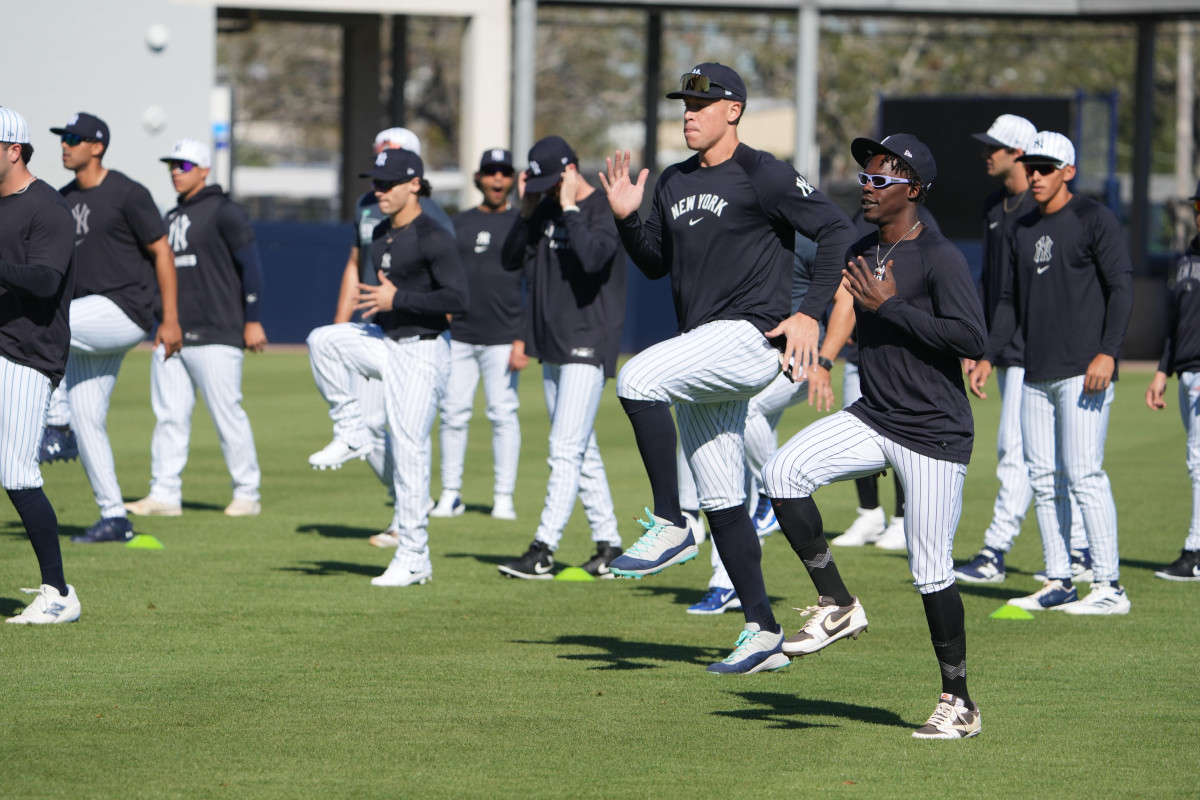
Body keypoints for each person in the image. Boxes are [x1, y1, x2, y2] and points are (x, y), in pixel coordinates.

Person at [599, 62, 855, 674]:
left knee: (635, 377)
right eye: (683, 103)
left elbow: (838, 231)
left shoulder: (762, 172)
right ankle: (762, 632)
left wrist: (810, 314)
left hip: (748, 339)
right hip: (704, 347)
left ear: (733, 110)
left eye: (701, 104)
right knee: (722, 498)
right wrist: (628, 217)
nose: (688, 112)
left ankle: (668, 520)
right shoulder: (672, 180)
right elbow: (656, 263)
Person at [762, 133, 987, 738]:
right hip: (876, 415)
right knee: (782, 471)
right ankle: (837, 603)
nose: (868, 183)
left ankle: (959, 701)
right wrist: (816, 349)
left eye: (882, 177)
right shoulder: (862, 248)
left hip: (934, 434)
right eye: (866, 175)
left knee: (930, 570)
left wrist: (892, 309)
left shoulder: (939, 256)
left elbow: (972, 339)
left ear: (912, 190)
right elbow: (837, 302)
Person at [973, 131, 1133, 614]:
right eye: (1033, 168)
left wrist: (1108, 352)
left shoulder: (1094, 219)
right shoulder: (1022, 227)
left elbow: (1122, 287)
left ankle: (1109, 587)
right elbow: (1007, 303)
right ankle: (1059, 578)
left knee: (1084, 474)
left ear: (1069, 171)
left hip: (1084, 370)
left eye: (1047, 168)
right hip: (1035, 371)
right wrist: (987, 354)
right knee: (1043, 478)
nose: (1037, 176)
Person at [308, 147, 467, 586]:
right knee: (323, 340)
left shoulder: (434, 235)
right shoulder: (378, 233)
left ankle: (415, 556)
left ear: (414, 184)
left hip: (425, 351)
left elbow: (458, 300)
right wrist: (387, 304)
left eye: (388, 184)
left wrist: (397, 299)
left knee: (410, 452)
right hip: (387, 341)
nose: (378, 191)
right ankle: (352, 429)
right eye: (375, 183)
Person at [689, 238, 856, 615]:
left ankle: (771, 489)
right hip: (750, 355)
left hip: (798, 356)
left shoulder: (809, 234)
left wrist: (825, 361)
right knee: (728, 464)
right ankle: (726, 582)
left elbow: (845, 296)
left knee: (749, 419)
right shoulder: (744, 228)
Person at [956, 115, 1090, 584]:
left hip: (1038, 349)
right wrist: (979, 344)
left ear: (1018, 152)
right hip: (1004, 344)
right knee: (1039, 454)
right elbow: (992, 284)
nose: (987, 153)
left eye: (996, 146)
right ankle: (1078, 552)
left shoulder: (1042, 212)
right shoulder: (998, 205)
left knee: (1027, 452)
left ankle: (997, 550)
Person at [43, 112, 183, 544]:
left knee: (48, 324)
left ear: (97, 145)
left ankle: (57, 422)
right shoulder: (62, 198)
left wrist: (171, 318)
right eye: (62, 138)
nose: (65, 145)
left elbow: (162, 253)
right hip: (88, 320)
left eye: (73, 138)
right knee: (90, 421)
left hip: (125, 311)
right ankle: (114, 518)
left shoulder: (127, 193)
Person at [495, 135, 626, 579]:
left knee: (564, 449)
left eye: (553, 181)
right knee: (581, 449)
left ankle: (543, 549)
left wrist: (569, 208)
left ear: (571, 170)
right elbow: (509, 260)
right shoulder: (544, 208)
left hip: (588, 342)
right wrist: (526, 212)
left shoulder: (602, 208)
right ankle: (609, 544)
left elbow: (593, 259)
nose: (549, 190)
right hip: (552, 344)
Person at [123, 138, 265, 518]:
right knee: (169, 416)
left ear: (204, 170)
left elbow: (251, 266)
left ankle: (247, 493)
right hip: (174, 334)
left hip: (218, 331)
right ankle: (165, 494)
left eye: (183, 166)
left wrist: (252, 320)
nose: (175, 171)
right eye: (172, 165)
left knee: (227, 413)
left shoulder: (225, 211)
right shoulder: (169, 217)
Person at [0, 107, 82, 623]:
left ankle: (59, 594)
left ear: (13, 149)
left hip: (28, 353)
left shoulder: (47, 208)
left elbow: (47, 281)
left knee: (17, 473)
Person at [431, 148, 525, 521]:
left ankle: (503, 496)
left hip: (504, 337)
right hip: (461, 335)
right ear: (478, 179)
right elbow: (442, 273)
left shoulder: (522, 224)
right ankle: (450, 494)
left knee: (503, 415)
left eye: (504, 173)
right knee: (453, 414)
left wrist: (523, 338)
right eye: (491, 173)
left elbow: (532, 286)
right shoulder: (458, 223)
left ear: (512, 180)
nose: (497, 179)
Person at [1144, 179, 1200, 581]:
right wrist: (1163, 370)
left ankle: (1195, 551)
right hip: (1186, 372)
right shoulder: (1184, 260)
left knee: (1198, 462)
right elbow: (1177, 324)